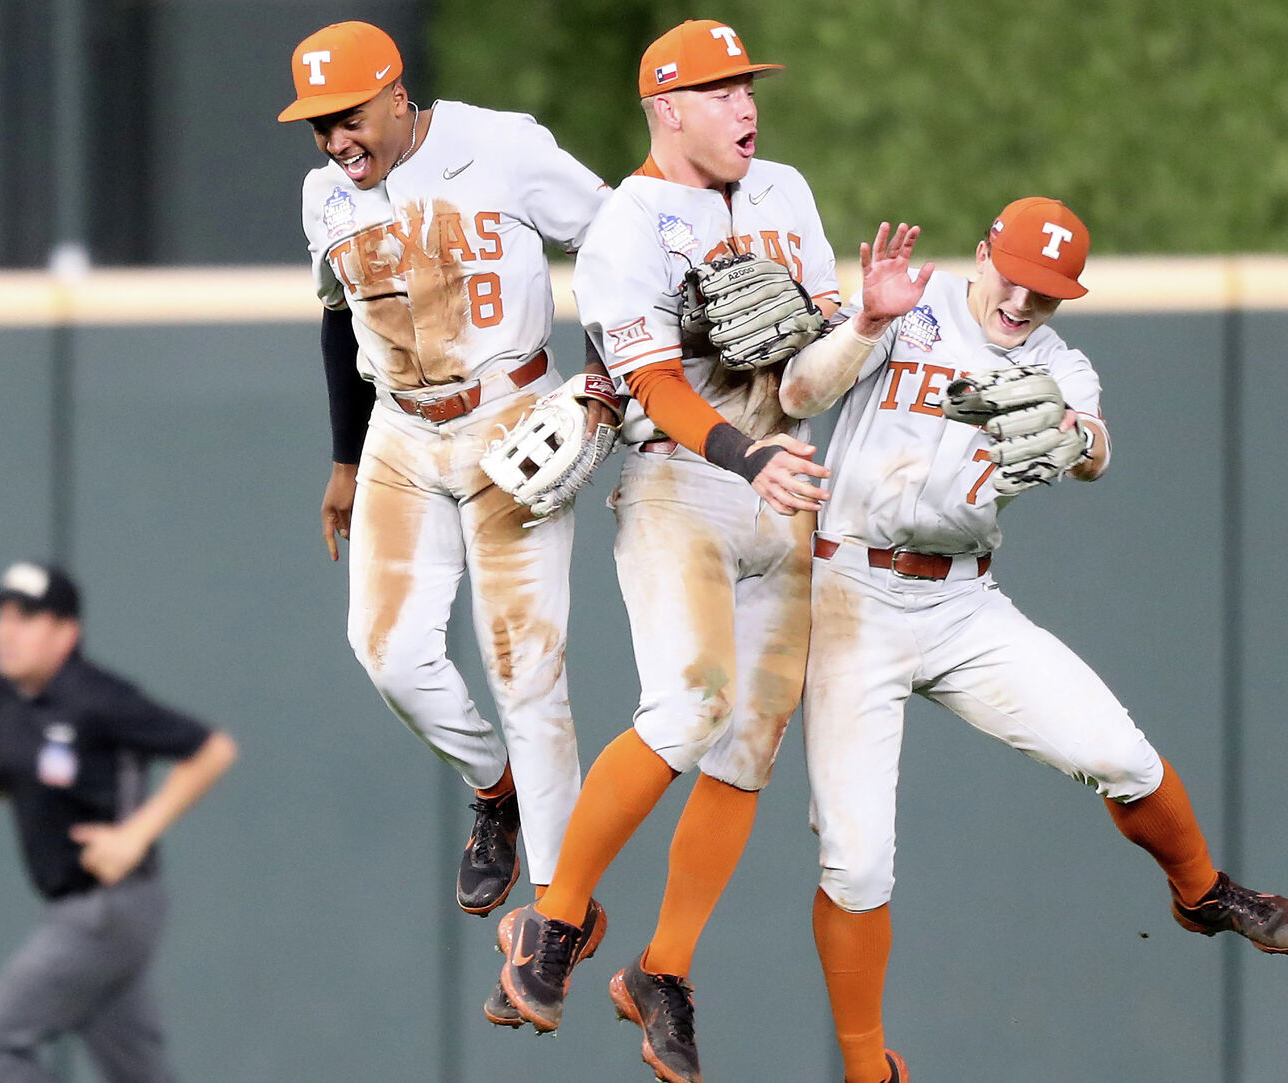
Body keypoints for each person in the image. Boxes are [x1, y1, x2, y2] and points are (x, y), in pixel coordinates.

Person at [781, 198, 1288, 1083]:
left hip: (963, 604)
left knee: (1122, 755)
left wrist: (1075, 437)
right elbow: (800, 394)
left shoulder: (1057, 362)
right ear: (986, 249)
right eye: (1017, 279)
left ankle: (1204, 892)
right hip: (852, 598)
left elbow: (1094, 447)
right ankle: (864, 1068)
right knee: (856, 859)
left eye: (1049, 292)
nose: (1026, 304)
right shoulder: (908, 304)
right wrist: (867, 319)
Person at [489, 20, 842, 1083]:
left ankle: (662, 973)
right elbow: (653, 383)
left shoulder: (783, 190)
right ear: (664, 108)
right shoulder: (625, 224)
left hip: (784, 482)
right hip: (683, 482)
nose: (744, 105)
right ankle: (551, 921)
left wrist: (862, 323)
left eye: (747, 86)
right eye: (720, 89)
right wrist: (742, 452)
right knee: (688, 708)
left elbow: (816, 347)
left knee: (751, 745)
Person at [277, 20, 618, 953]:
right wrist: (345, 462)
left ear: (395, 94)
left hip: (512, 415)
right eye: (319, 127)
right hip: (399, 430)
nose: (337, 142)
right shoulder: (325, 199)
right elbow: (336, 324)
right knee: (386, 652)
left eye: (348, 117)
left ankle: (560, 905)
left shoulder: (499, 144)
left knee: (525, 669)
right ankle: (494, 789)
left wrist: (604, 378)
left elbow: (616, 240)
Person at [0, 561, 238, 1083]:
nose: (5, 631)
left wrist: (135, 834)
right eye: (2, 616)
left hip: (108, 907)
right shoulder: (7, 694)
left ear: (66, 633)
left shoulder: (99, 697)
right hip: (86, 910)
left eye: (26, 618)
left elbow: (212, 751)